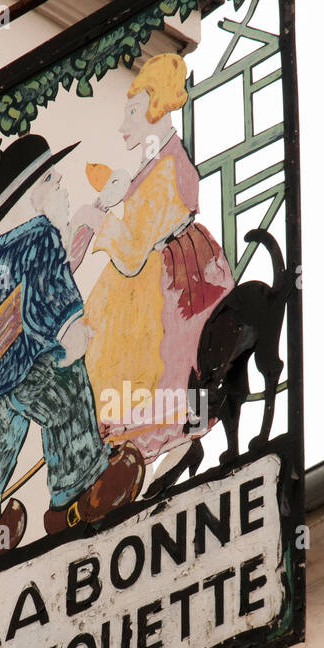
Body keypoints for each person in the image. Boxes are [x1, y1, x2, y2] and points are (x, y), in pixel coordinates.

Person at [0, 134, 144, 579]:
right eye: (52, 179)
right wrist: (72, 333)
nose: (63, 186)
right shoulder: (42, 235)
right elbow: (51, 294)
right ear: (30, 197)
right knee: (68, 398)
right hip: (28, 363)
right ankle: (80, 487)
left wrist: (99, 208)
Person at [69, 53, 234, 463]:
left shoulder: (165, 169)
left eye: (133, 112)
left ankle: (171, 444)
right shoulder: (154, 162)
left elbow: (131, 253)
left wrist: (97, 220)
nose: (124, 124)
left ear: (157, 106)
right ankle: (155, 446)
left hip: (172, 281)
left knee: (169, 362)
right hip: (168, 270)